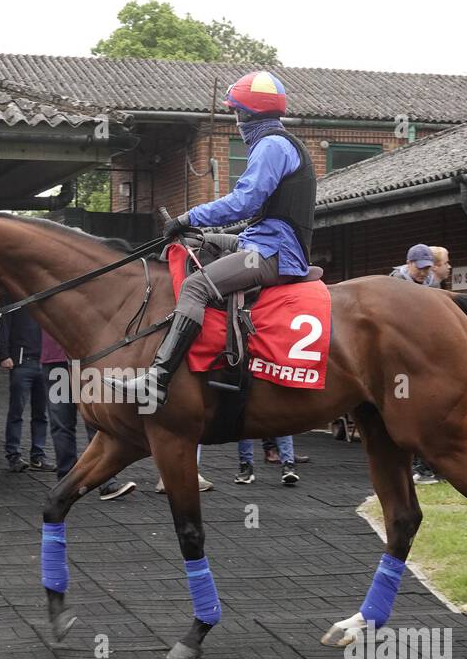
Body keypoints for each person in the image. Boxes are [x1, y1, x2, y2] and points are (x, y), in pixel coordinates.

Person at [114, 70, 317, 411]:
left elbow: (245, 202)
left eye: (236, 112)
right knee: (200, 243)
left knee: (196, 286)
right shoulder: (278, 142)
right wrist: (198, 232)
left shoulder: (271, 146)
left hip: (274, 253)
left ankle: (157, 379)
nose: (235, 120)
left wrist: (188, 217)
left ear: (247, 114)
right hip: (262, 242)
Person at [42, 326, 135, 499]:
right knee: (68, 423)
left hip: (79, 358)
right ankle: (73, 481)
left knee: (92, 422)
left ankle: (98, 480)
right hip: (73, 358)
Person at [391, 243, 442, 483]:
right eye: (420, 268)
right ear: (409, 264)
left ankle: (425, 466)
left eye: (427, 268)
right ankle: (409, 466)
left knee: (427, 414)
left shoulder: (434, 283)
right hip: (399, 362)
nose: (424, 273)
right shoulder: (395, 284)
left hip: (425, 359)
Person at [0, 304, 49, 473]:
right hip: (22, 362)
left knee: (39, 413)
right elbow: (3, 325)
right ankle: (15, 455)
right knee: (18, 412)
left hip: (41, 361)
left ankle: (37, 455)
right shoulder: (12, 297)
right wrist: (4, 355)